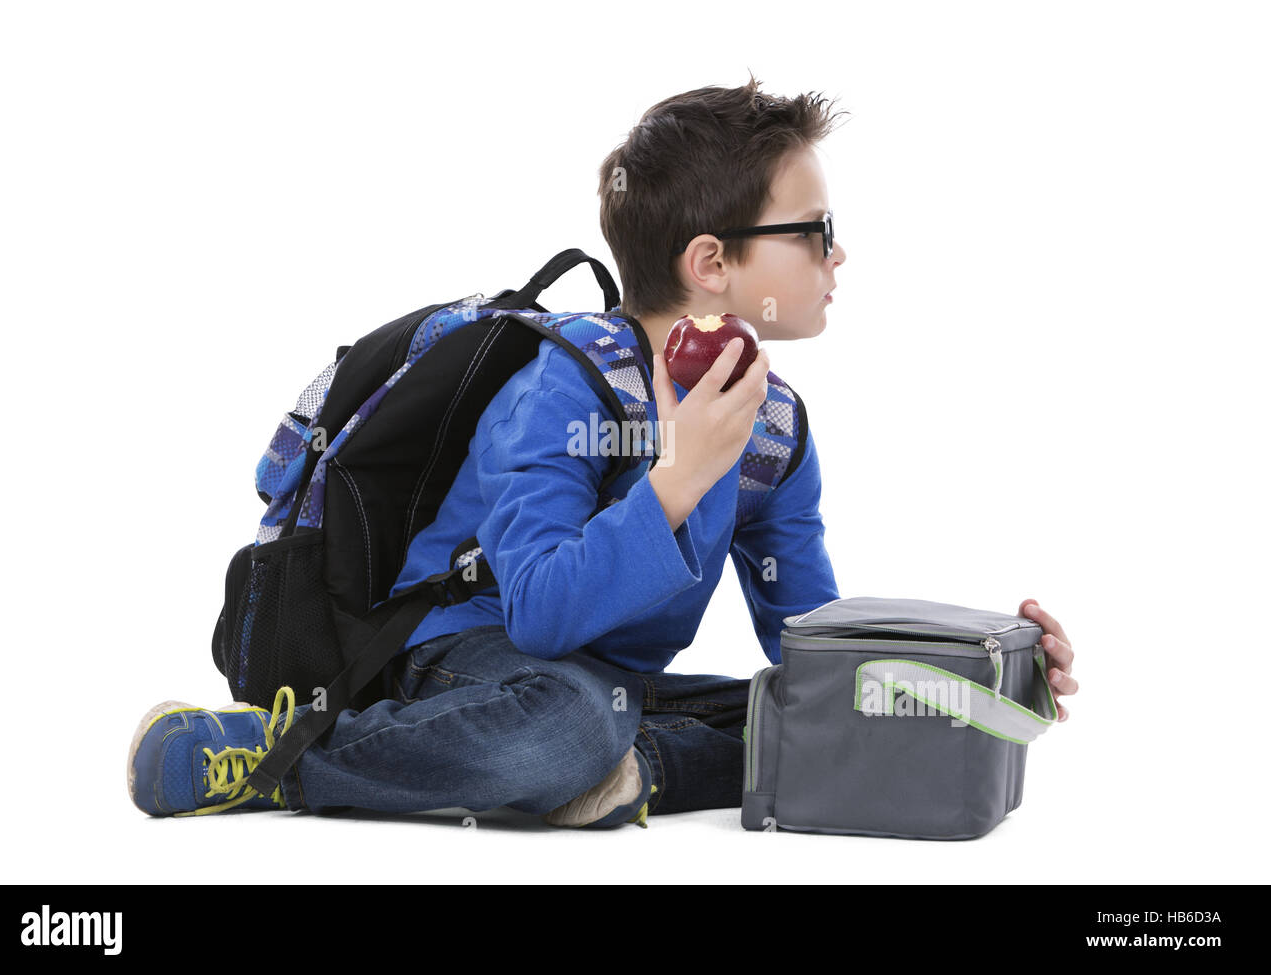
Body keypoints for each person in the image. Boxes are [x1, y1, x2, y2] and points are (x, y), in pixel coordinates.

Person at [128, 74, 1078, 826]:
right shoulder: (563, 387)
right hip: (465, 654)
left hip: (611, 691)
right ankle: (284, 760)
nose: (838, 257)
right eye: (816, 233)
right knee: (568, 724)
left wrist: (984, 674)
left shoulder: (774, 431)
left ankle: (622, 775)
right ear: (713, 264)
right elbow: (538, 610)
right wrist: (677, 479)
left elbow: (808, 656)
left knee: (778, 719)